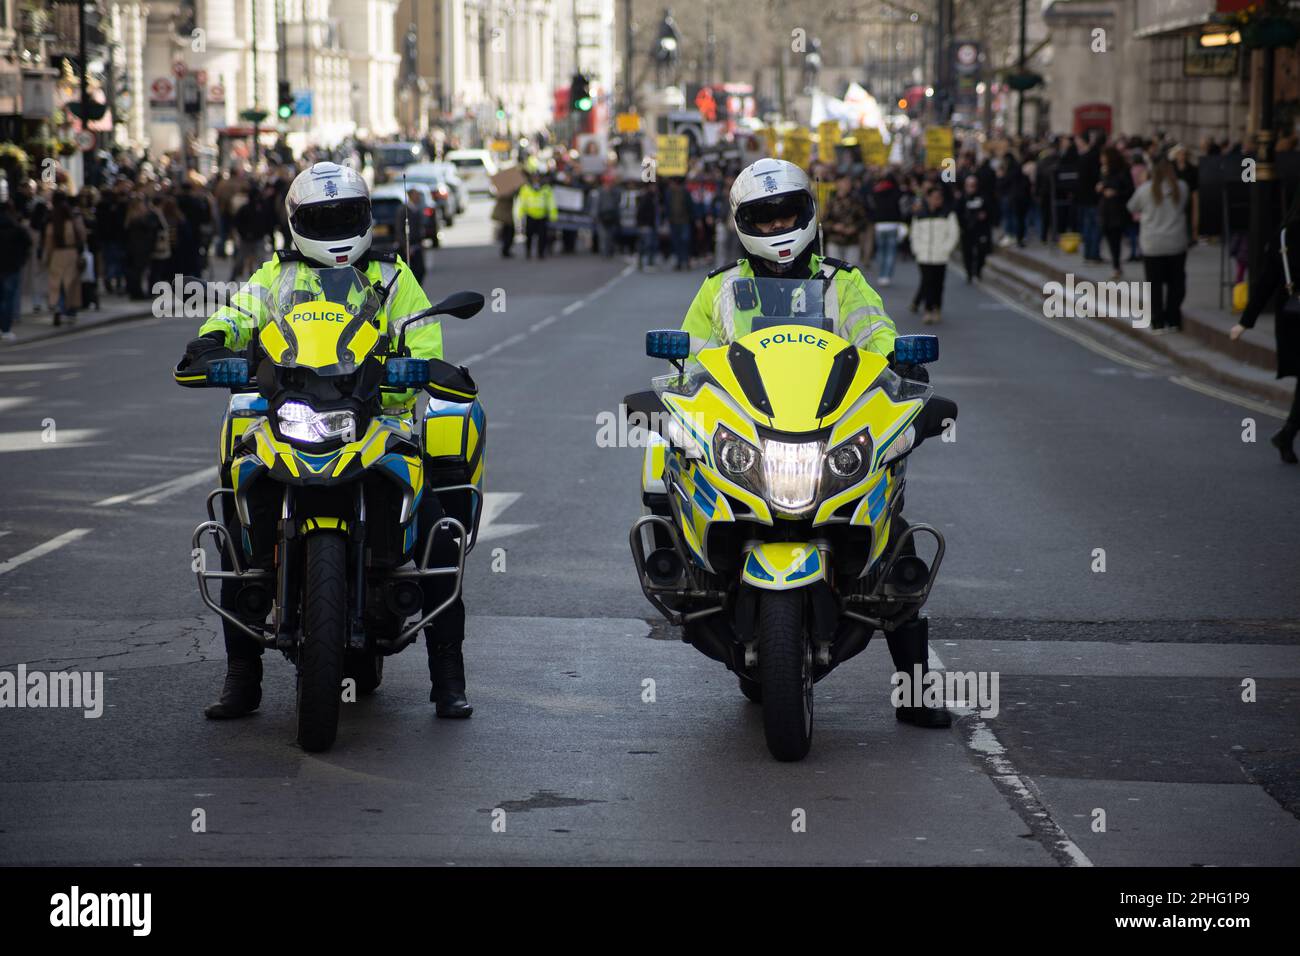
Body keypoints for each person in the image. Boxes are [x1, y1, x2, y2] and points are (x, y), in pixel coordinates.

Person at [175, 162, 475, 720]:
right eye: (323, 217)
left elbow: (424, 331)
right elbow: (240, 313)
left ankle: (448, 677)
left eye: (346, 215)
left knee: (439, 529)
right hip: (292, 413)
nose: (336, 226)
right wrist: (213, 341)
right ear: (296, 222)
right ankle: (242, 676)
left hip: (376, 419)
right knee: (236, 525)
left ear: (364, 218)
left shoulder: (390, 277)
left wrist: (419, 367)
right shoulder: (276, 276)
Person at [677, 157, 951, 728]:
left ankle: (916, 692)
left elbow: (878, 337)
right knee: (672, 472)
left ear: (808, 214)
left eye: (787, 215)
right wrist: (675, 396)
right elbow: (690, 364)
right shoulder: (719, 289)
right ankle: (688, 578)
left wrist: (903, 366)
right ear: (742, 223)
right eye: (764, 218)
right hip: (754, 435)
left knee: (894, 541)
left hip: (827, 428)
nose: (778, 228)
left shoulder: (843, 283)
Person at [1231, 196, 1300, 464]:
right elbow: (1266, 283)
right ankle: (1287, 434)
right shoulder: (1286, 237)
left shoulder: (1283, 236)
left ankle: (1287, 434)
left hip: (1290, 316)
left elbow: (1265, 284)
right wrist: (1245, 322)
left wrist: (1245, 322)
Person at [1126, 158, 1187, 334]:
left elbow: (1131, 207)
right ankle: (1174, 318)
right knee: (1176, 282)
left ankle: (1158, 321)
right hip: (1176, 242)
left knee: (1155, 284)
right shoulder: (1181, 188)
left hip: (1152, 244)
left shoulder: (1145, 190)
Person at [910, 185, 960, 325]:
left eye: (939, 198)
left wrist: (946, 249)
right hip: (924, 255)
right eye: (934, 198)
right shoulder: (920, 215)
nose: (936, 201)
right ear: (928, 198)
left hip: (940, 256)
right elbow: (915, 234)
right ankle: (928, 310)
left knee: (938, 283)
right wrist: (917, 249)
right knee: (927, 282)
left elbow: (953, 234)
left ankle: (937, 308)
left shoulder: (948, 214)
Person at [43, 191, 86, 326]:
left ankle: (57, 307)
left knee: (57, 284)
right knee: (71, 284)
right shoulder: (72, 219)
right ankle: (71, 311)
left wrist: (47, 258)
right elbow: (82, 236)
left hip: (57, 253)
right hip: (71, 252)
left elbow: (49, 241)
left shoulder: (52, 220)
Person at [1098, 146, 1133, 279]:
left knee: (1115, 238)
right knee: (1109, 238)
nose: (1101, 159)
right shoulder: (1104, 171)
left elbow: (1129, 190)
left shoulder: (1123, 171)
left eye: (1104, 157)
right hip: (1106, 209)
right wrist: (1101, 187)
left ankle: (1117, 266)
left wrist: (1116, 193)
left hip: (1117, 209)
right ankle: (1116, 265)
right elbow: (1105, 186)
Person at [0, 199, 32, 342]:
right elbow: (27, 243)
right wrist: (21, 259)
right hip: (12, 267)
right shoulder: (16, 227)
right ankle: (5, 330)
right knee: (8, 299)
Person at [822, 174, 867, 264]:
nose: (848, 184)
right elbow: (823, 222)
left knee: (852, 271)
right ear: (838, 183)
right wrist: (834, 227)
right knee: (834, 271)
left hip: (852, 241)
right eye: (845, 182)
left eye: (849, 182)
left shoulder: (856, 200)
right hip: (834, 240)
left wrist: (854, 228)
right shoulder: (831, 201)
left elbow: (863, 220)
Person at [955, 175, 991, 282]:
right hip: (967, 230)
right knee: (967, 253)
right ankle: (969, 273)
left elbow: (990, 210)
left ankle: (978, 270)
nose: (971, 188)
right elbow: (957, 213)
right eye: (969, 186)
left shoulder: (983, 197)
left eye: (973, 186)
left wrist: (985, 215)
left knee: (982, 251)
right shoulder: (962, 198)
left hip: (981, 230)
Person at [518, 172, 556, 259]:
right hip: (530, 215)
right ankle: (528, 252)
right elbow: (522, 202)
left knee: (542, 236)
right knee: (529, 235)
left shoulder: (546, 188)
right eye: (534, 177)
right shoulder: (526, 188)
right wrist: (520, 214)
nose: (536, 179)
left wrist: (553, 214)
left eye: (537, 177)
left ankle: (541, 253)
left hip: (542, 215)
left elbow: (551, 202)